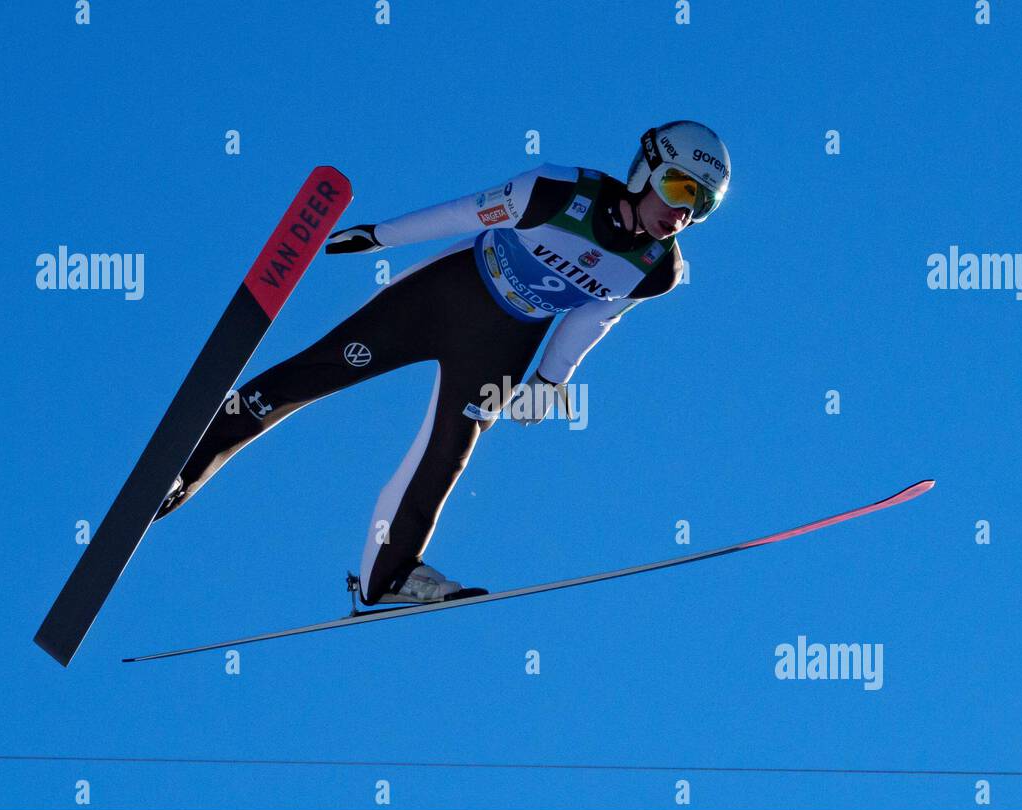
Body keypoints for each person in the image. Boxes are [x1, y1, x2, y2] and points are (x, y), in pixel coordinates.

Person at [154, 120, 731, 606]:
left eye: (701, 204)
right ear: (646, 171)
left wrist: (551, 380)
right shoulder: (556, 192)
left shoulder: (657, 270)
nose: (684, 212)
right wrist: (381, 237)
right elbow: (466, 213)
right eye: (680, 188)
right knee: (321, 369)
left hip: (507, 341)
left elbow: (594, 316)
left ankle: (388, 576)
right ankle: (184, 468)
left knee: (450, 452)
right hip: (446, 295)